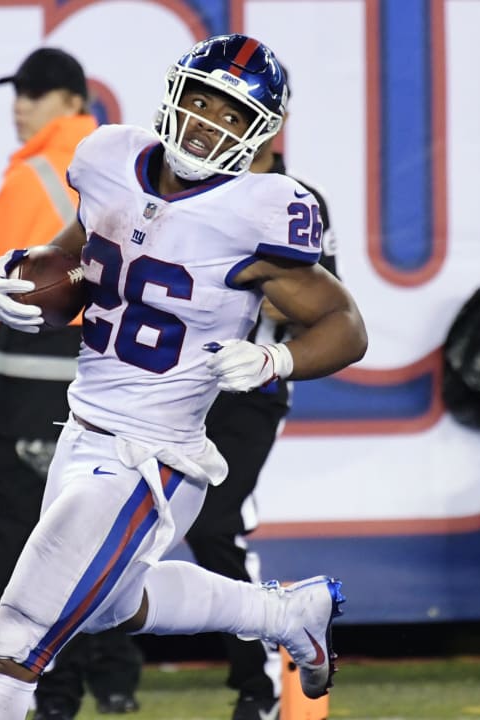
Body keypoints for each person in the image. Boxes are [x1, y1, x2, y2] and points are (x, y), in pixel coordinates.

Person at [0, 33, 368, 720]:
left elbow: (345, 325)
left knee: (16, 644)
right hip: (82, 426)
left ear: (260, 133)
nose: (209, 122)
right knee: (109, 607)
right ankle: (287, 612)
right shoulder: (110, 159)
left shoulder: (258, 211)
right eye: (202, 100)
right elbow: (77, 265)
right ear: (174, 92)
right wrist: (16, 279)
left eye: (232, 114)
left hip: (155, 454)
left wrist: (277, 359)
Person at [0, 47, 142, 718]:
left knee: (22, 531)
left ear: (72, 100)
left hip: (30, 370)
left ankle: (28, 686)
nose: (21, 103)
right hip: (114, 373)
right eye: (18, 91)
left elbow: (9, 286)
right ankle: (119, 676)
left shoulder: (35, 171)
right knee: (103, 527)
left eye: (36, 92)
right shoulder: (132, 167)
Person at [188, 136, 339, 720]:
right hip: (177, 388)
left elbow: (318, 303)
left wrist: (239, 275)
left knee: (214, 525)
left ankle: (262, 679)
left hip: (253, 386)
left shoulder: (298, 201)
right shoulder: (195, 189)